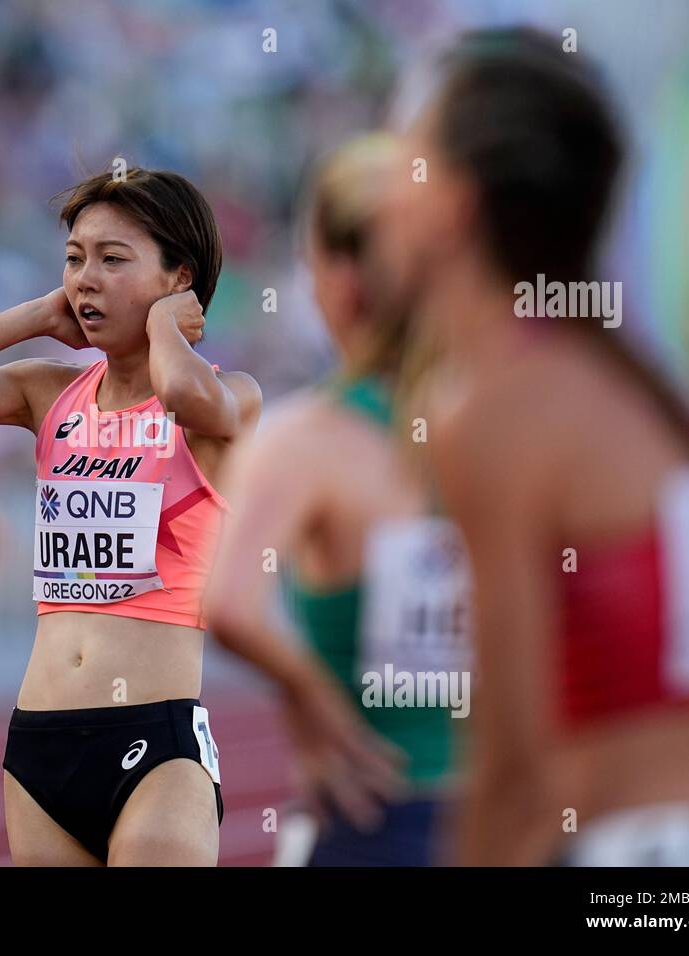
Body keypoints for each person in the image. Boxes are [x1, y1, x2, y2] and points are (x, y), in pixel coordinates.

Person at [373, 27, 689, 865]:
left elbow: (514, 766)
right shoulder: (644, 382)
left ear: (453, 203)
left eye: (402, 158)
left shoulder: (500, 414)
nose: (381, 194)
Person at [0, 167, 261, 865]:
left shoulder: (229, 398)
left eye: (113, 259)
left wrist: (168, 323)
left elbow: (180, 391)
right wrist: (36, 317)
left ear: (180, 276)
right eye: (74, 259)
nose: (86, 279)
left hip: (156, 747)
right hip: (40, 742)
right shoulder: (47, 393)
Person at [204, 134, 471, 866]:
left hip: (378, 809)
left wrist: (309, 695)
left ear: (342, 278)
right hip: (511, 811)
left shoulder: (304, 441)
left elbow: (227, 605)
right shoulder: (514, 421)